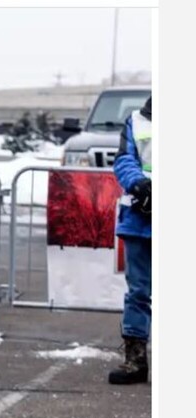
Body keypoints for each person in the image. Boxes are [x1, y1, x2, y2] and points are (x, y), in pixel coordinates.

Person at [108, 94, 151, 385]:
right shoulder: (135, 122)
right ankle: (135, 361)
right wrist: (140, 184)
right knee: (138, 292)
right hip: (140, 219)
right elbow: (124, 160)